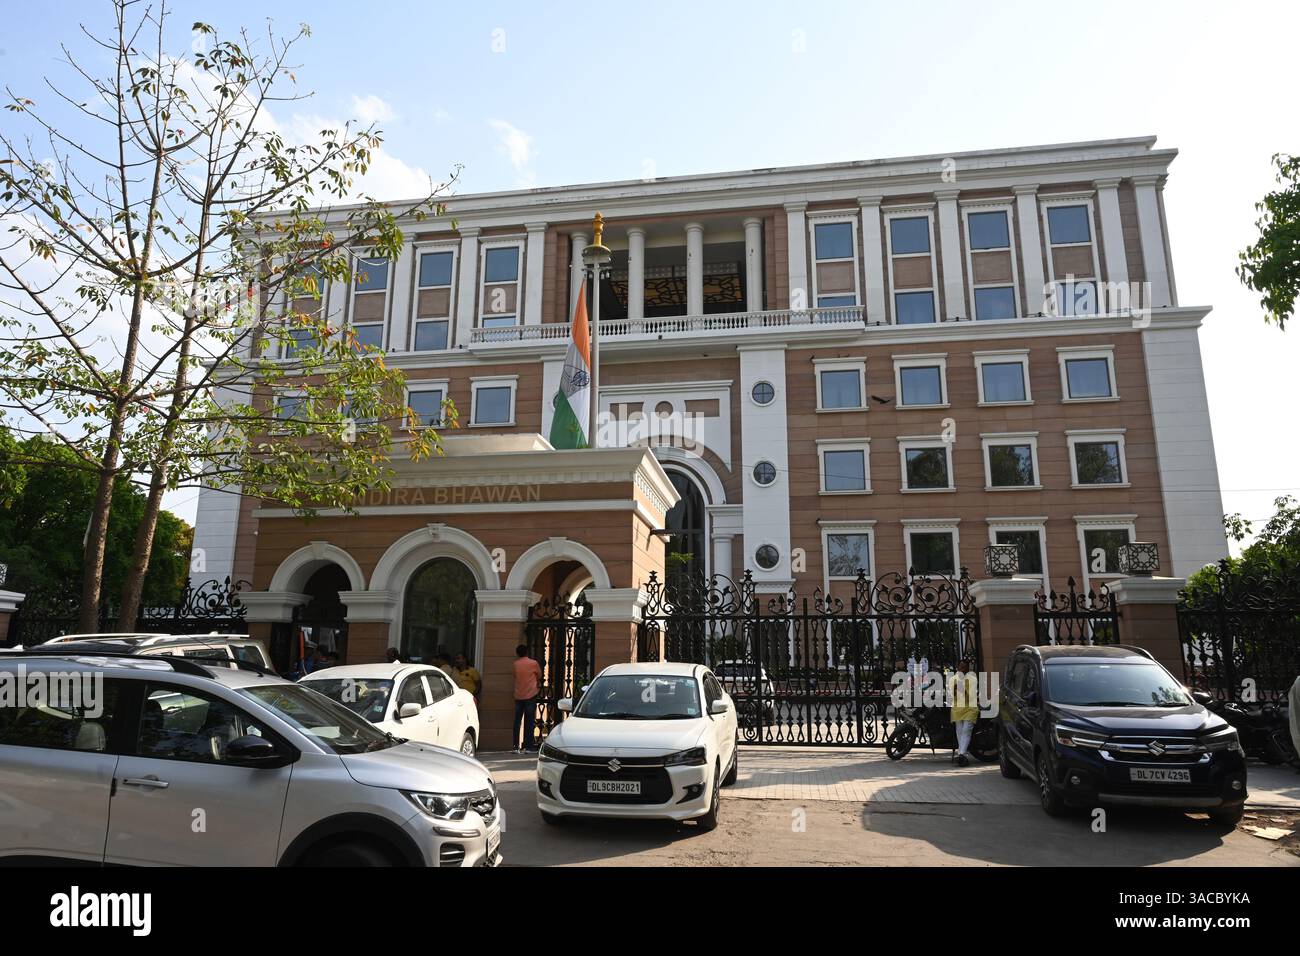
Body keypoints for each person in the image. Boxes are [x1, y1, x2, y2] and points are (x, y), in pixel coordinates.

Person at [948, 659, 979, 767]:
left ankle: (961, 754)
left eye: (964, 667)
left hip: (970, 707)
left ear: (968, 668)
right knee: (960, 731)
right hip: (957, 708)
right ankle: (962, 755)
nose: (962, 669)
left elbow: (973, 695)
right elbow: (950, 694)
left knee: (966, 730)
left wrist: (963, 691)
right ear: (957, 668)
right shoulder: (953, 679)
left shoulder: (972, 679)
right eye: (960, 667)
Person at [513, 644, 543, 754]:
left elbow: (515, 676)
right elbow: (539, 675)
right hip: (530, 694)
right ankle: (529, 746)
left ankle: (516, 746)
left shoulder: (515, 664)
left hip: (518, 695)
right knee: (529, 722)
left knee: (517, 721)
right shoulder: (533, 663)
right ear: (527, 652)